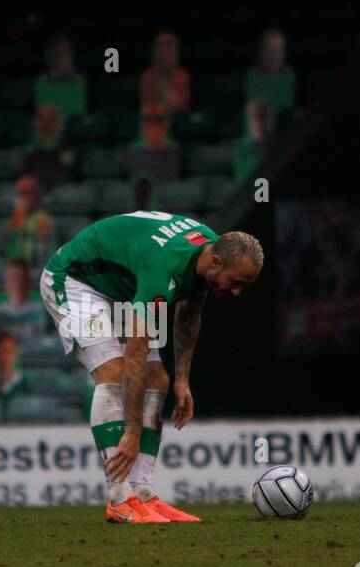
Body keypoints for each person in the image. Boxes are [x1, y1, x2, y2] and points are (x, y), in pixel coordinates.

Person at [40, 215, 263, 524]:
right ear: (215, 263)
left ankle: (143, 495)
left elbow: (189, 312)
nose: (237, 292)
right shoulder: (163, 269)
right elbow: (135, 353)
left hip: (124, 288)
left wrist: (182, 380)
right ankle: (119, 498)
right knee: (114, 373)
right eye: (236, 283)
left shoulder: (209, 253)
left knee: (158, 378)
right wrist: (131, 431)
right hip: (77, 280)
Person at [21, 103, 75, 194]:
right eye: (41, 120)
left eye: (51, 119)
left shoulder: (71, 152)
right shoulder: (27, 154)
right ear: (35, 124)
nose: (46, 124)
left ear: (59, 123)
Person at [244, 28, 296, 121]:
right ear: (260, 51)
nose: (275, 55)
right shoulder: (252, 76)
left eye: (280, 49)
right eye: (269, 49)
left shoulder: (290, 74)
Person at [0, 257, 49, 340]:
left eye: (23, 277)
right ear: (6, 283)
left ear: (29, 281)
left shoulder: (40, 311)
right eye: (14, 277)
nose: (19, 283)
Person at [125, 101, 181, 186]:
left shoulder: (175, 153)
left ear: (167, 124)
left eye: (158, 120)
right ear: (141, 125)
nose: (154, 126)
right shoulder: (132, 154)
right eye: (149, 120)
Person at [4, 175, 54, 270]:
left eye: (28, 193)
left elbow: (46, 245)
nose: (24, 198)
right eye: (21, 194)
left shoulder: (43, 218)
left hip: (38, 268)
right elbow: (8, 241)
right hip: (17, 270)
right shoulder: (16, 217)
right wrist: (20, 214)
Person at [34, 34, 86, 119]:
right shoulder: (41, 81)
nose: (60, 59)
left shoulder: (80, 81)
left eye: (63, 53)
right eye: (56, 54)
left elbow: (77, 111)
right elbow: (45, 111)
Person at [138, 32, 190, 117]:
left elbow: (179, 107)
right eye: (159, 47)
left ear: (176, 53)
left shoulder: (183, 76)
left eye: (168, 46)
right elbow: (146, 109)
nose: (163, 52)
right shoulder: (146, 77)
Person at [232, 99, 271, 180]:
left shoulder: (279, 145)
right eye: (254, 116)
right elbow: (241, 176)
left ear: (267, 117)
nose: (258, 120)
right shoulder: (240, 147)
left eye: (261, 116)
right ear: (248, 119)